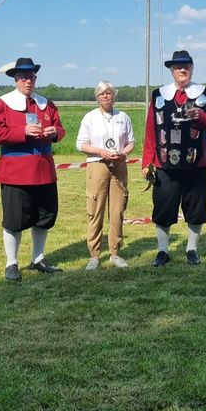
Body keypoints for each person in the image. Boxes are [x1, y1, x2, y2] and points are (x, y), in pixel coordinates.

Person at [0, 58, 65, 281]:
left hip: (44, 171)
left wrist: (55, 133)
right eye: (23, 77)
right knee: (14, 220)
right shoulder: (2, 104)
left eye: (31, 77)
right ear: (15, 79)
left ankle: (38, 258)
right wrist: (22, 132)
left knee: (44, 217)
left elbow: (60, 128)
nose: (28, 81)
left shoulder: (46, 104)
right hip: (16, 172)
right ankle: (11, 263)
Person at [141, 49, 206, 267]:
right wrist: (147, 160)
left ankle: (192, 249)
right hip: (165, 164)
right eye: (178, 67)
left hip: (195, 163)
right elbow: (151, 130)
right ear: (171, 70)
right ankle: (163, 251)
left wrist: (201, 116)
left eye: (186, 66)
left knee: (195, 208)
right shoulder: (159, 95)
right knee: (163, 208)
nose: (182, 70)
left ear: (192, 68)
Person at [76, 81, 135, 270]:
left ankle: (115, 253)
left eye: (109, 93)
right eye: (102, 94)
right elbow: (81, 144)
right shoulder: (89, 117)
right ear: (97, 97)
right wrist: (101, 152)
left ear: (114, 96)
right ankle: (94, 255)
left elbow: (131, 142)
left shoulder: (123, 117)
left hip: (118, 166)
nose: (105, 96)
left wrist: (123, 154)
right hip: (97, 165)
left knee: (117, 210)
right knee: (95, 210)